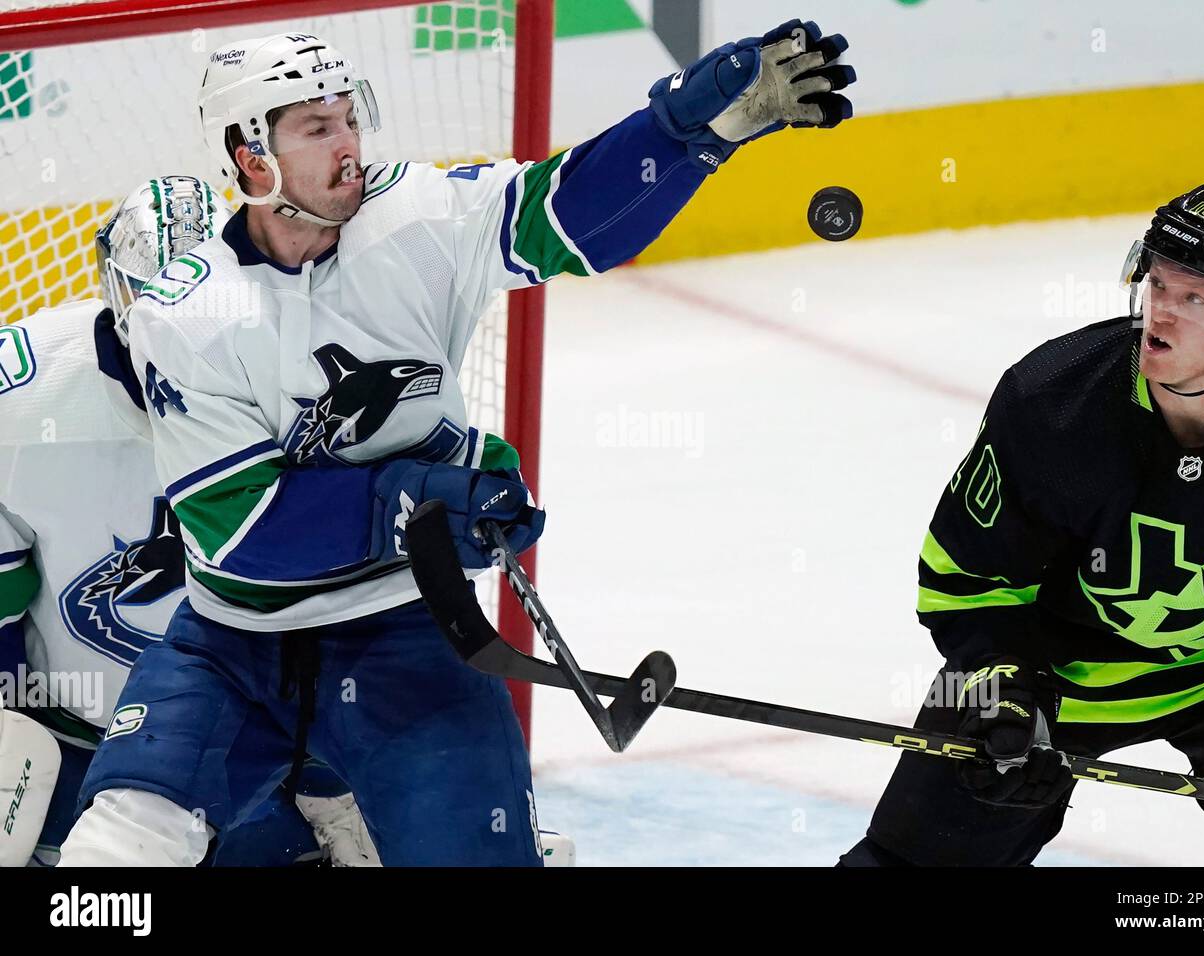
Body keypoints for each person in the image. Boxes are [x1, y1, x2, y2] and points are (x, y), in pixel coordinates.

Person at [58, 20, 856, 865]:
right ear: (252, 157)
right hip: (233, 652)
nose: (349, 145)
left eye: (351, 117)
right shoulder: (187, 313)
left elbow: (567, 216)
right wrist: (422, 501)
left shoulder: (416, 216)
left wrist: (684, 136)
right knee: (115, 860)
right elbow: (240, 531)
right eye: (317, 128)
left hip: (407, 633)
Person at [840, 181, 1204, 867]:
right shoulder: (1055, 401)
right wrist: (1003, 693)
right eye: (1158, 289)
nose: (1160, 317)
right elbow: (965, 579)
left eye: (1192, 299)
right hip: (1055, 681)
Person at [0, 176, 375, 866]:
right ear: (117, 295)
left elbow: (341, 595)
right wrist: (7, 726)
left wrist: (328, 773)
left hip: (249, 749)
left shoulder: (309, 392)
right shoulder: (20, 393)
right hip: (67, 745)